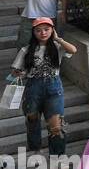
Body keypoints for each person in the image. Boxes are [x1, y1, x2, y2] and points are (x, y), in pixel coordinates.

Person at [7, 17, 76, 155]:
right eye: (38, 30)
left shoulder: (57, 47)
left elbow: (73, 50)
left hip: (54, 87)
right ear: (33, 32)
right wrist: (19, 73)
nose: (43, 33)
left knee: (56, 126)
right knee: (32, 120)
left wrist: (58, 39)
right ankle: (36, 151)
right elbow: (16, 71)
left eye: (46, 29)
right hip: (33, 87)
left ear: (52, 30)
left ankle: (57, 157)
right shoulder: (26, 50)